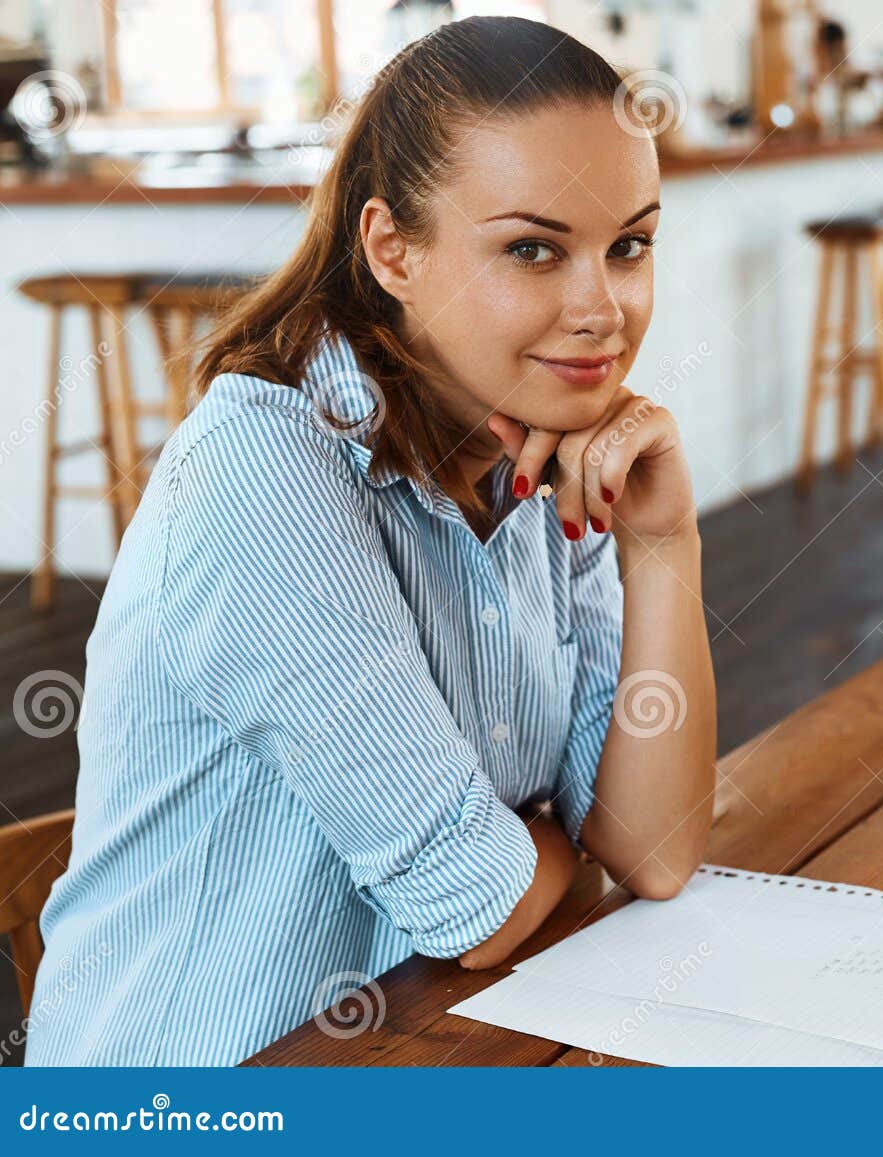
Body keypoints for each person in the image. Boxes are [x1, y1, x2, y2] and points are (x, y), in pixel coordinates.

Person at [25, 16, 715, 1066]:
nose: (602, 310)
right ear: (392, 247)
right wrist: (546, 845)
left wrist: (662, 543)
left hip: (427, 1043)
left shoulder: (544, 451)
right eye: (532, 249)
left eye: (628, 245)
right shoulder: (262, 469)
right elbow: (478, 907)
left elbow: (654, 849)